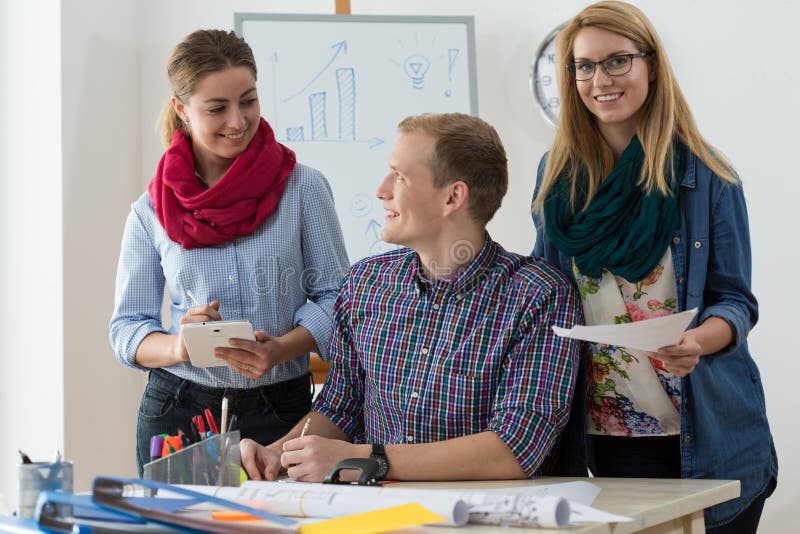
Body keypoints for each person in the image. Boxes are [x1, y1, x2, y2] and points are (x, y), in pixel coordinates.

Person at [531, 2, 777, 531]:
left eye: (618, 61)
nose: (600, 80)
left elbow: (736, 302)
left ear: (652, 67)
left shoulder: (709, 176)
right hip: (600, 434)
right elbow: (543, 292)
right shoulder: (556, 180)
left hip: (707, 433)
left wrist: (696, 343)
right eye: (584, 66)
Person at [240, 112, 582, 482]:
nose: (382, 190)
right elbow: (340, 408)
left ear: (453, 196)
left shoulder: (539, 296)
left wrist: (368, 459)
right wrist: (278, 452)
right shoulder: (366, 282)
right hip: (376, 515)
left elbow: (515, 449)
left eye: (400, 177)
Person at [109, 29, 349, 476]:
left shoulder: (304, 188)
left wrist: (281, 349)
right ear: (182, 109)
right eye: (217, 108)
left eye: (249, 100)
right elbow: (125, 329)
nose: (238, 121)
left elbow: (339, 300)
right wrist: (180, 345)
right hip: (178, 412)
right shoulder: (150, 211)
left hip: (284, 411)